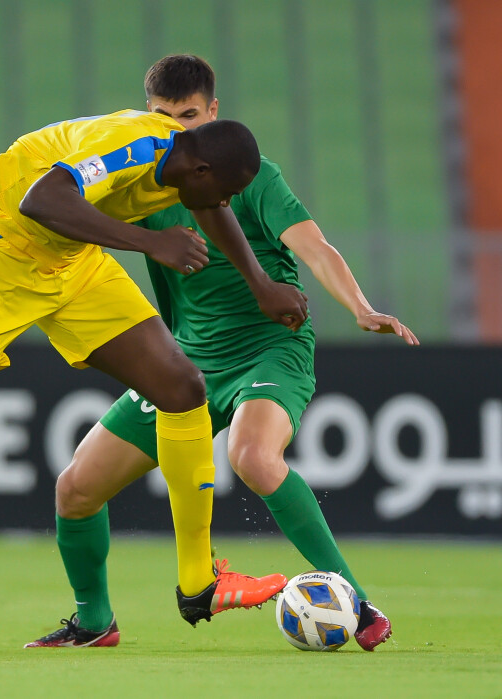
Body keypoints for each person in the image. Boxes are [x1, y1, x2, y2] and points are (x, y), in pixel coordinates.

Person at [0, 96, 310, 655]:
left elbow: (210, 207)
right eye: (226, 190)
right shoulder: (135, 146)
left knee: (181, 387)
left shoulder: (190, 168)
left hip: (71, 261)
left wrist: (260, 284)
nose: (226, 203)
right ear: (201, 169)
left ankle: (199, 583)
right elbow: (42, 198)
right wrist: (151, 241)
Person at [25, 55, 416, 651]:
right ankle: (94, 622)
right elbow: (63, 213)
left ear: (213, 112)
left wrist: (359, 307)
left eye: (188, 115)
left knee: (252, 456)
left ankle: (358, 605)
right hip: (187, 362)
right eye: (163, 117)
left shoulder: (252, 177)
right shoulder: (137, 179)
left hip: (269, 348)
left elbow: (315, 248)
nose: (176, 129)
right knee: (75, 489)